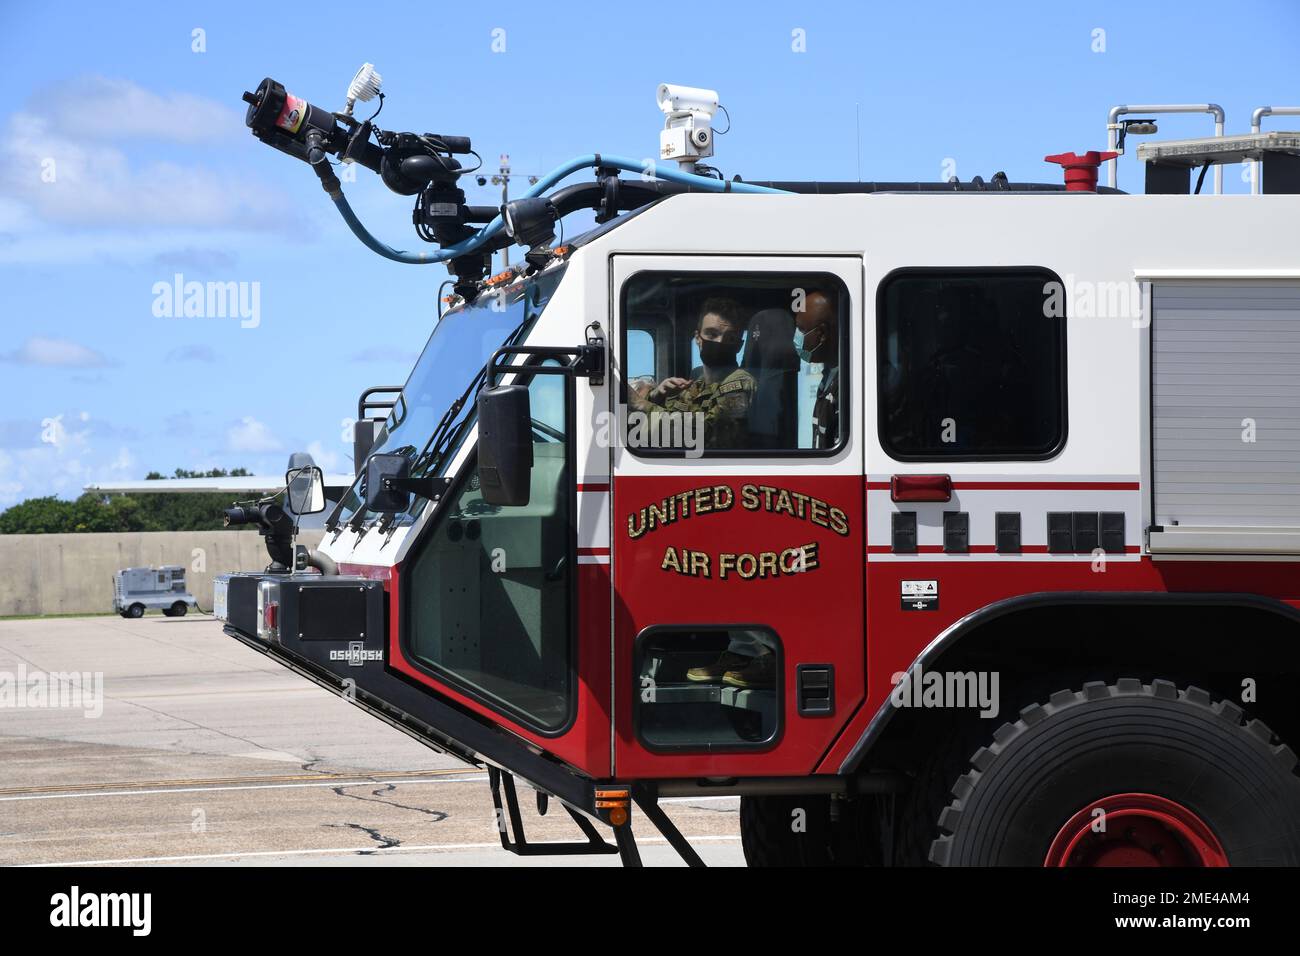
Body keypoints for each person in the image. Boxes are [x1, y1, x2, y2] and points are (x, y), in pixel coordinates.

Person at [631, 296, 756, 450]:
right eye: (711, 334)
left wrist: (639, 404)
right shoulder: (697, 385)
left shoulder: (741, 382)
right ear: (698, 338)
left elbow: (709, 434)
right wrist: (657, 396)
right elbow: (676, 417)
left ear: (738, 345)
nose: (719, 342)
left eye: (729, 337)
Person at [794, 289, 840, 449]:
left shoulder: (848, 388)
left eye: (801, 329)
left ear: (822, 333)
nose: (796, 337)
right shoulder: (829, 376)